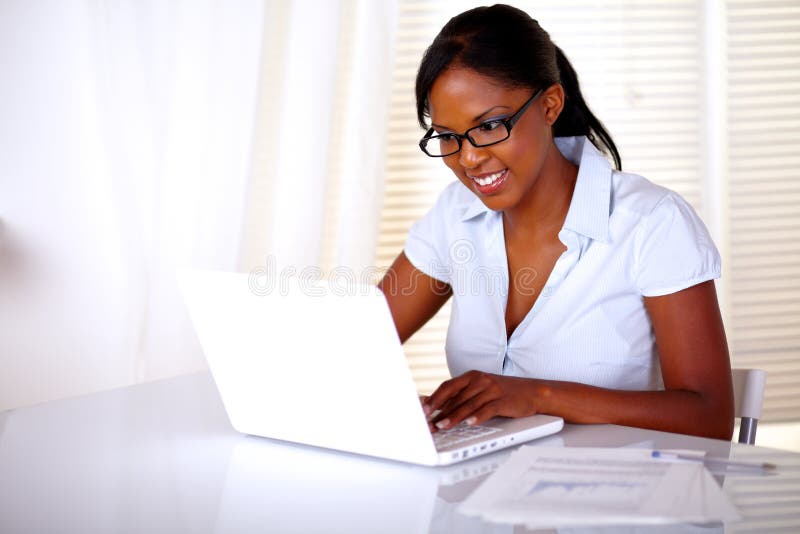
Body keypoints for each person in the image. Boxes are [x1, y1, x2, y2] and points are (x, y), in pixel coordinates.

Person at [377, 4, 734, 440]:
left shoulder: (652, 223)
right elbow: (355, 344)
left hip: (615, 496)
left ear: (550, 105)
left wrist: (540, 396)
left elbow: (710, 416)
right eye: (448, 136)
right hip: (482, 492)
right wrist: (402, 410)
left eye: (489, 126)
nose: (468, 158)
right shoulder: (454, 216)